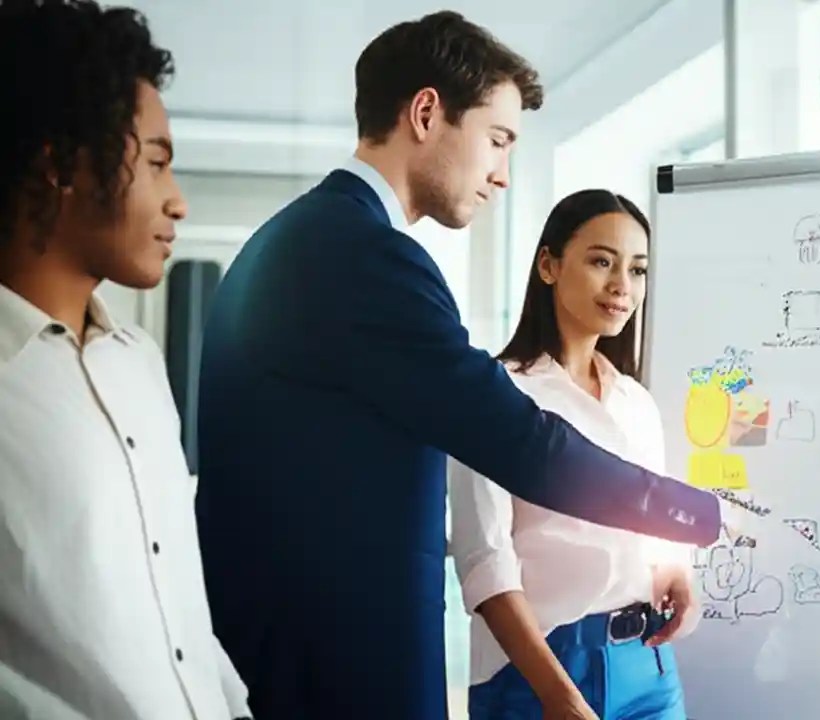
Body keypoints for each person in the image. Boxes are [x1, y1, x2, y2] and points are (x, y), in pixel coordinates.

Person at [195, 12, 722, 720]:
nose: (503, 175)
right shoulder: (366, 254)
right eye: (497, 140)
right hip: (343, 674)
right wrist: (693, 510)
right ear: (425, 113)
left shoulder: (296, 239)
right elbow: (521, 443)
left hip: (294, 661)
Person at [0, 2, 250, 719]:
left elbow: (178, 614)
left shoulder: (138, 363)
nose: (178, 202)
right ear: (59, 168)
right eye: (157, 162)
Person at [450, 190, 695, 720]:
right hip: (541, 668)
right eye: (601, 261)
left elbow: (657, 525)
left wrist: (677, 571)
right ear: (549, 265)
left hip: (647, 666)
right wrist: (557, 694)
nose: (621, 287)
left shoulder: (637, 403)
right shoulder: (494, 396)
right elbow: (485, 563)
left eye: (637, 270)